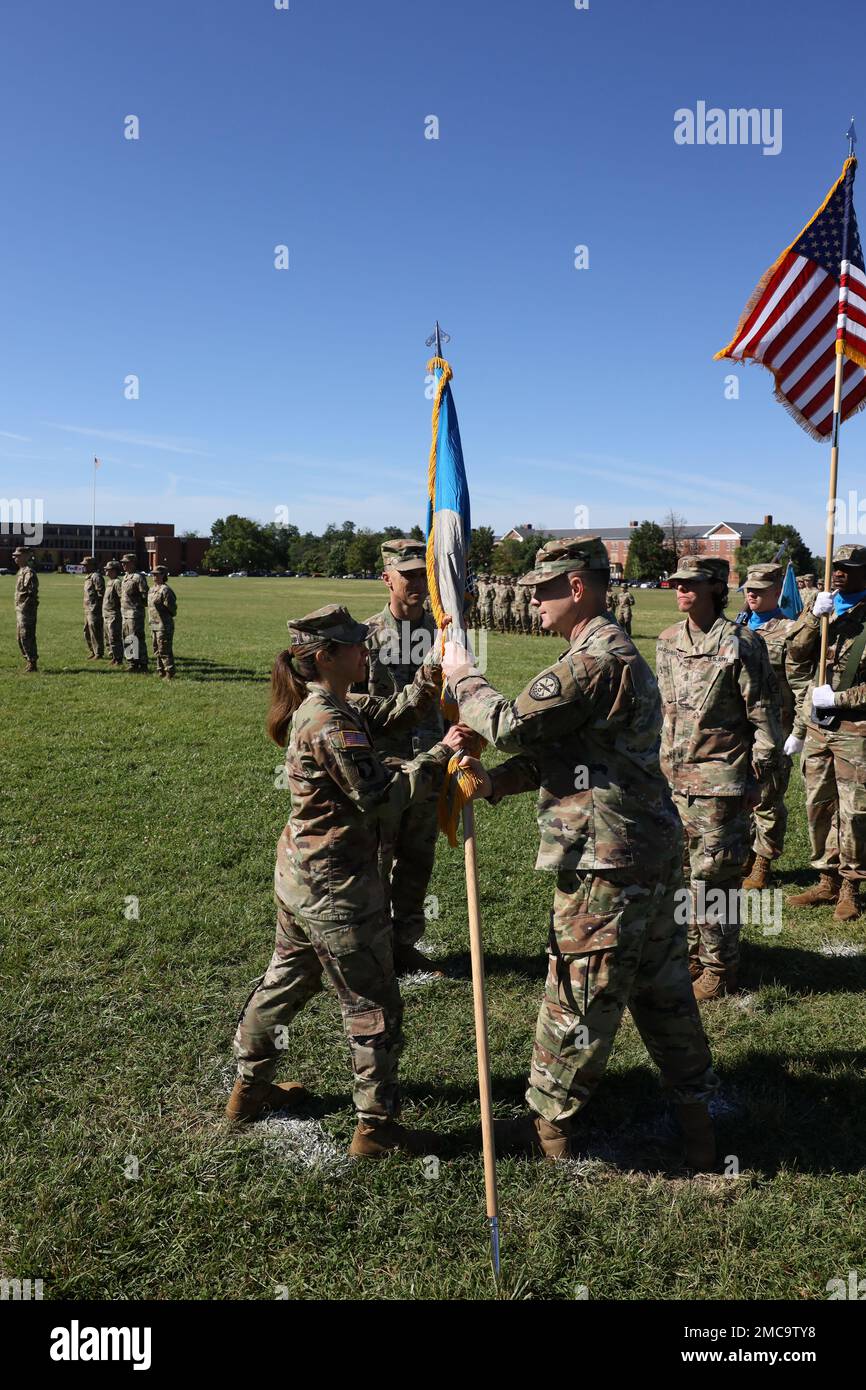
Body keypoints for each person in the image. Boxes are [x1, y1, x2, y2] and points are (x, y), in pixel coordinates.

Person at [442, 536, 718, 1169]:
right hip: (641, 850)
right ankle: (698, 1122)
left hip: (608, 861)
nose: (532, 601)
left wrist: (464, 677)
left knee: (579, 991)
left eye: (543, 590)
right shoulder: (603, 655)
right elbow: (563, 751)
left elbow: (512, 723)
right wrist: (496, 782)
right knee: (662, 988)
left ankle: (551, 1131)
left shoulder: (595, 658)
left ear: (577, 589)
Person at [228, 604, 470, 1155]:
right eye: (356, 646)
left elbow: (389, 714)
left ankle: (250, 1088)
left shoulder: (332, 705)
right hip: (338, 890)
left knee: (286, 982)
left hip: (302, 878)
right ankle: (377, 1129)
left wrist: (433, 669)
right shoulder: (329, 722)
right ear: (326, 656)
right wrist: (440, 755)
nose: (368, 651)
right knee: (372, 1005)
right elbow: (383, 799)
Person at [656, 556, 783, 1001]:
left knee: (716, 881)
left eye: (691, 584)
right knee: (681, 875)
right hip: (675, 781)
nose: (681, 591)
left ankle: (720, 969)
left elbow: (766, 719)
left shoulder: (741, 643)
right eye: (677, 584)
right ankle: (690, 953)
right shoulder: (668, 641)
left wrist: (756, 780)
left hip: (721, 782)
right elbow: (663, 712)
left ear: (714, 587)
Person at [358, 539, 444, 975]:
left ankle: (404, 942)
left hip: (430, 764)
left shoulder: (444, 634)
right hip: (384, 771)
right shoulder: (366, 638)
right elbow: (357, 705)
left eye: (421, 574)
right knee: (377, 861)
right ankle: (372, 946)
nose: (416, 583)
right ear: (386, 578)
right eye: (407, 575)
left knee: (418, 859)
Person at [787, 544, 866, 921]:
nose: (838, 573)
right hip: (818, 725)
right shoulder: (825, 606)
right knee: (817, 804)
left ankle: (851, 885)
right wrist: (810, 617)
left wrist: (841, 697)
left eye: (848, 568)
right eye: (836, 566)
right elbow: (796, 653)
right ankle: (826, 878)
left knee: (855, 811)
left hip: (855, 728)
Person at [740, 563, 814, 891]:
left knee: (767, 799)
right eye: (748, 589)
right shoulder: (734, 626)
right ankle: (742, 854)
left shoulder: (790, 631)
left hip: (773, 730)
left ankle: (762, 863)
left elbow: (802, 687)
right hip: (735, 730)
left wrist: (798, 731)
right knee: (736, 796)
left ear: (776, 592)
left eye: (759, 590)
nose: (752, 594)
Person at [119, 553, 149, 672]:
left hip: (135, 613)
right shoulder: (126, 577)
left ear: (132, 563)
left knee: (136, 638)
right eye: (123, 563)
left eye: (125, 563)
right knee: (127, 638)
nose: (123, 565)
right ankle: (132, 663)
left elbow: (145, 595)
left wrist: (138, 606)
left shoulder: (138, 577)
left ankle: (143, 663)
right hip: (125, 613)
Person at [147, 565, 178, 679]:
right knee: (156, 650)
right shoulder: (152, 589)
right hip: (154, 624)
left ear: (163, 575)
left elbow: (172, 609)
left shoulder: (166, 590)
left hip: (163, 625)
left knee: (164, 649)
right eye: (153, 574)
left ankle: (169, 672)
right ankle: (160, 670)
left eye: (157, 574)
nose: (154, 576)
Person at [13, 546, 38, 672]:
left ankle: (32, 662)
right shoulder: (21, 571)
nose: (15, 558)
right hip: (20, 610)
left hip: (26, 611)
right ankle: (28, 660)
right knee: (20, 637)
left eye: (17, 556)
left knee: (26, 635)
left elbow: (31, 593)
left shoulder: (29, 573)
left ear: (25, 557)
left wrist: (25, 608)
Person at [82, 556, 105, 660]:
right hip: (87, 610)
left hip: (94, 609)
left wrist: (97, 607)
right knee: (87, 631)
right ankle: (92, 650)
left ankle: (98, 652)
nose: (84, 567)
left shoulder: (96, 577)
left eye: (86, 565)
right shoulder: (88, 577)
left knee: (95, 631)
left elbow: (101, 593)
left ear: (92, 565)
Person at [102, 559, 124, 665]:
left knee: (114, 637)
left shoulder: (117, 582)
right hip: (106, 614)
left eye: (109, 570)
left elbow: (122, 598)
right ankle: (113, 656)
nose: (106, 572)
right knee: (108, 637)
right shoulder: (109, 582)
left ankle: (118, 658)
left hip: (114, 614)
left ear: (115, 571)